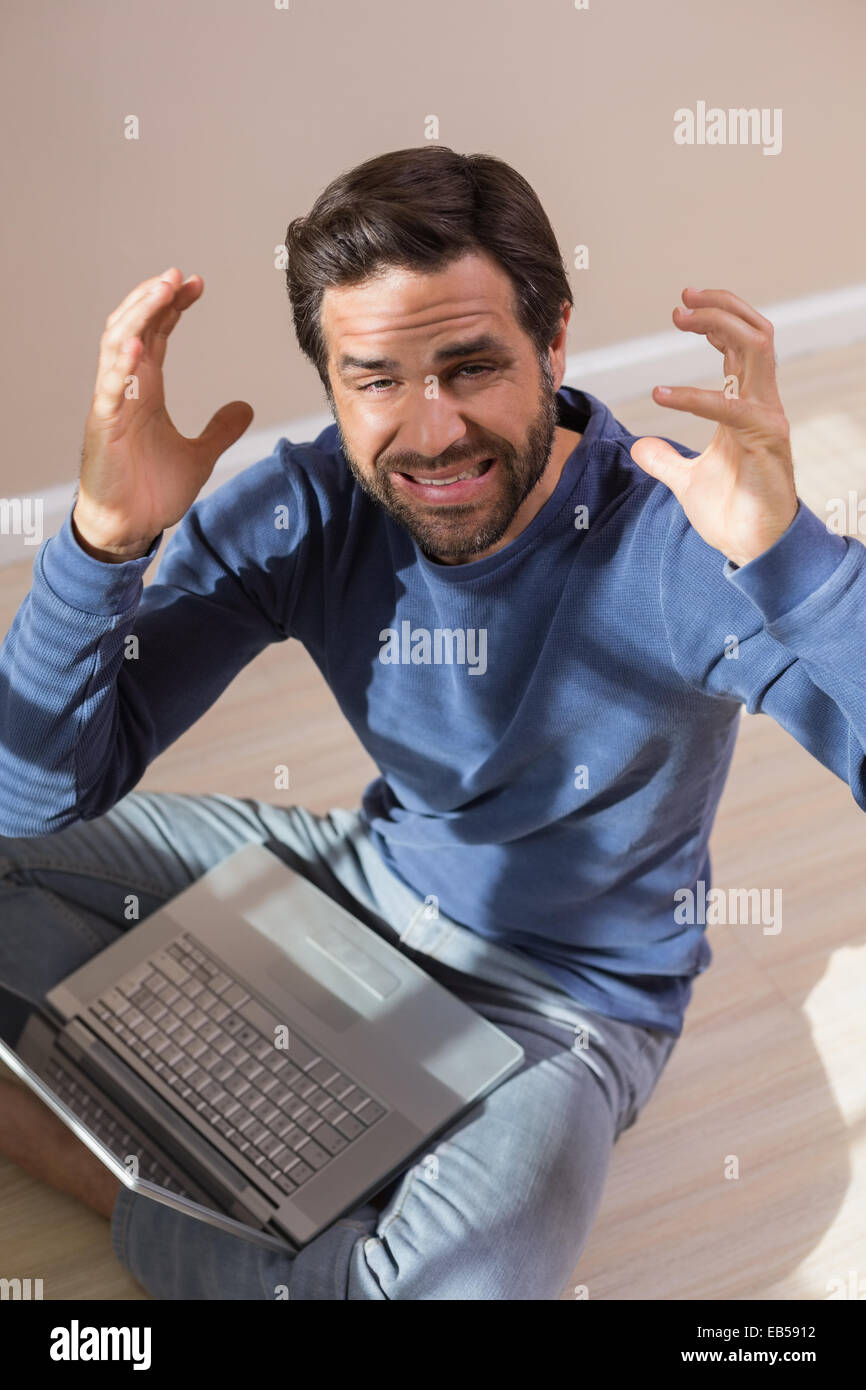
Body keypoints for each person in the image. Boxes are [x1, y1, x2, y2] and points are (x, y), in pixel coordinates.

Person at [1, 146, 863, 1300]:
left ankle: (80, 1136)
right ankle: (282, 1142)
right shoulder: (307, 505)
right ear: (330, 380)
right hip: (355, 882)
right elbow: (35, 793)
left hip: (563, 1002)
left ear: (553, 341)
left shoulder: (680, 541)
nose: (431, 432)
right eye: (376, 380)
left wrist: (793, 565)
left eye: (470, 366)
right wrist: (102, 544)